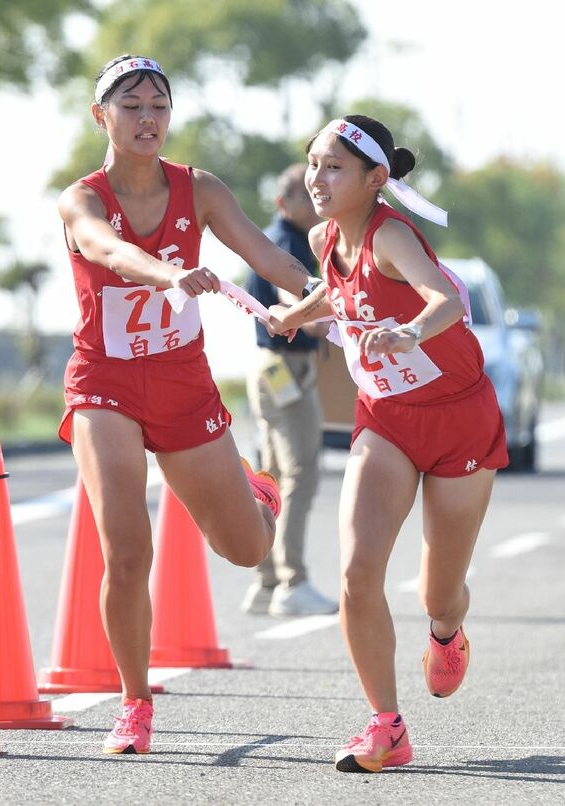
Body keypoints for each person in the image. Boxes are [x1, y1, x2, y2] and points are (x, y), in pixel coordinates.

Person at [57, 54, 317, 755]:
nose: (148, 118)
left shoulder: (198, 189)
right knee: (127, 546)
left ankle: (255, 488)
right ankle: (135, 704)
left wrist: (321, 302)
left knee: (246, 549)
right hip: (104, 383)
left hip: (182, 385)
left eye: (159, 106)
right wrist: (172, 271)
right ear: (102, 116)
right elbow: (106, 250)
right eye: (133, 105)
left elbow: (273, 261)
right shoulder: (81, 198)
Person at [267, 115, 508, 773]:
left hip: (459, 419)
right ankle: (387, 725)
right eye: (313, 163)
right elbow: (336, 293)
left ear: (376, 179)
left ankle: (446, 632)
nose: (317, 177)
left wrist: (409, 333)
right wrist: (296, 313)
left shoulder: (392, 235)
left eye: (334, 167)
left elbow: (444, 301)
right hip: (386, 420)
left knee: (439, 591)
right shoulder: (325, 239)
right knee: (357, 570)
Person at [242, 164, 338, 617]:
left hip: (275, 368)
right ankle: (291, 582)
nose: (318, 195)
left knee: (275, 475)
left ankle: (266, 581)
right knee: (301, 474)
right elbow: (288, 305)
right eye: (307, 192)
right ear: (285, 203)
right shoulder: (286, 244)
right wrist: (331, 320)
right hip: (285, 369)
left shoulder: (283, 239)